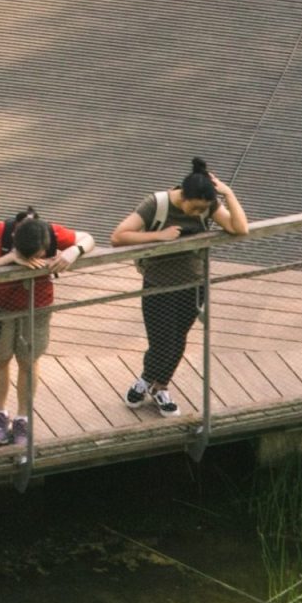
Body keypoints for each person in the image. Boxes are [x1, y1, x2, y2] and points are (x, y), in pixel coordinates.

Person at [110, 156, 249, 417]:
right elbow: (118, 236)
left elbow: (239, 228)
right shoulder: (156, 204)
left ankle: (159, 386)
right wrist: (159, 237)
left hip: (194, 283)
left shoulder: (207, 205)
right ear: (182, 196)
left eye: (203, 210)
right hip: (158, 284)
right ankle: (144, 381)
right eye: (194, 209)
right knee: (161, 341)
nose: (198, 215)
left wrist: (228, 194)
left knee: (178, 340)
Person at [0, 206, 94, 449]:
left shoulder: (51, 232)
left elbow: (88, 238)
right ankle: (0, 415)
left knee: (28, 360)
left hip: (37, 305)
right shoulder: (3, 229)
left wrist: (74, 251)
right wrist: (10, 259)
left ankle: (23, 418)